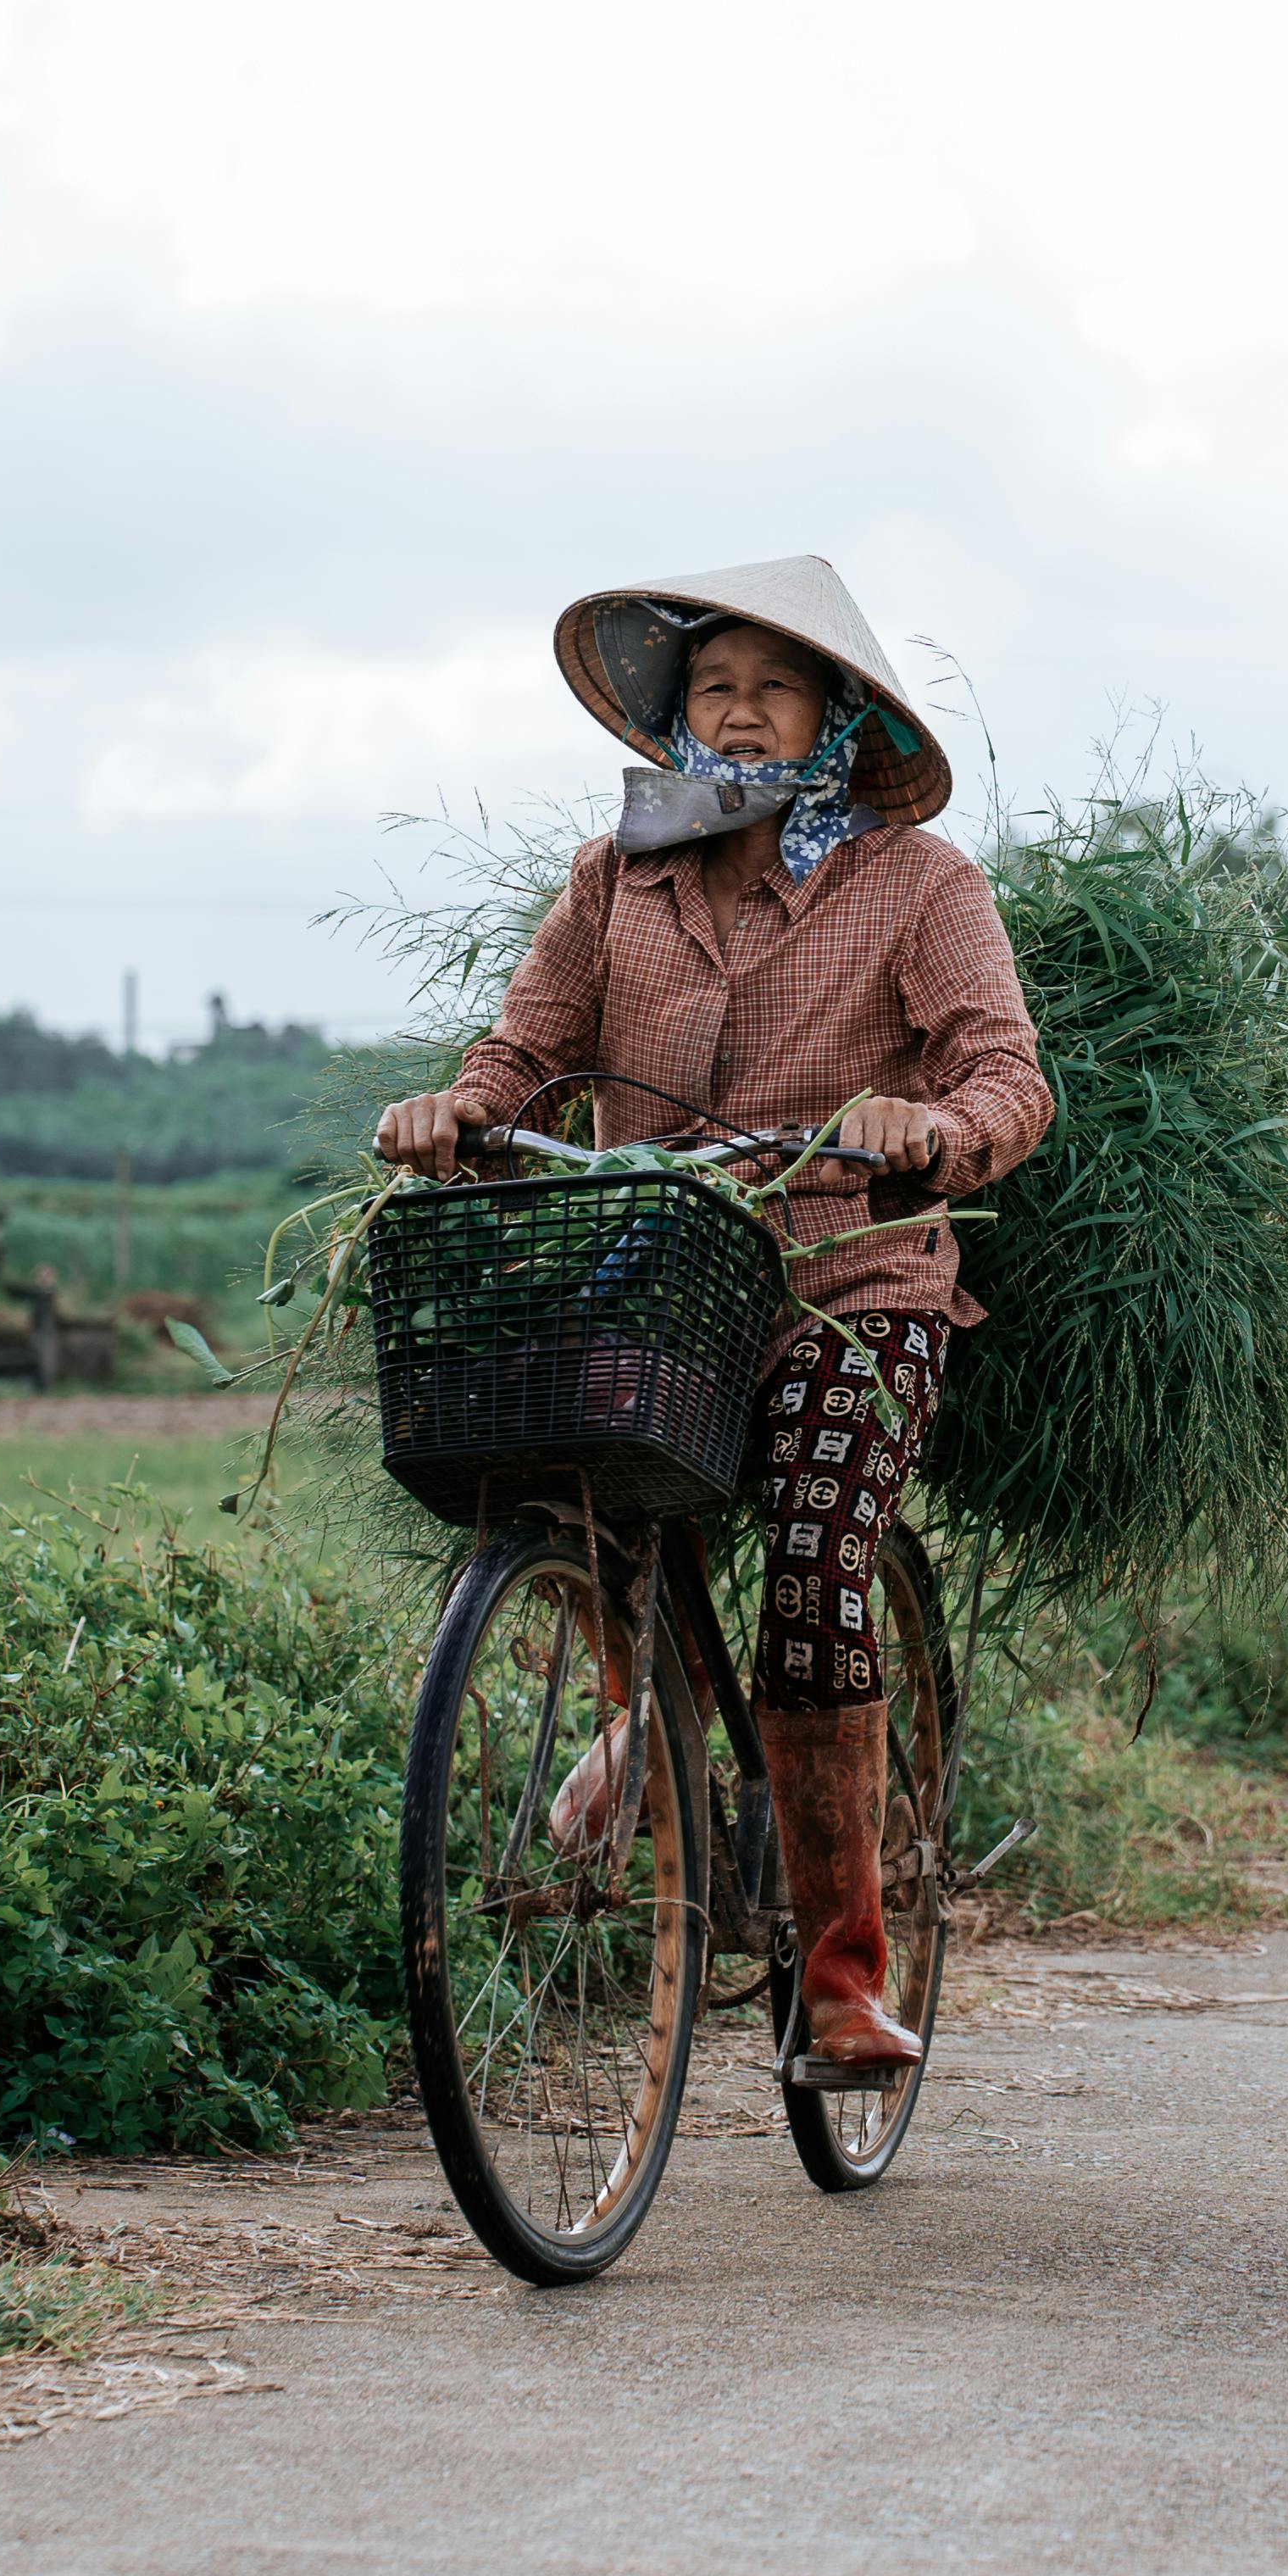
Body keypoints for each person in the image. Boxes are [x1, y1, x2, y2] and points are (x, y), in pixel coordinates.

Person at [370, 554, 1050, 2075]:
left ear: (838, 720)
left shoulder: (921, 887)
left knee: (815, 1560)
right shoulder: (618, 878)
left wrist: (930, 1131)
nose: (738, 718)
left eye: (773, 690)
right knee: (567, 1486)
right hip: (656, 1270)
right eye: (713, 691)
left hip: (849, 1287)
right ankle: (652, 1713)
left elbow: (1009, 1071)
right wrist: (458, 1110)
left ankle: (845, 1974)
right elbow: (525, 1044)